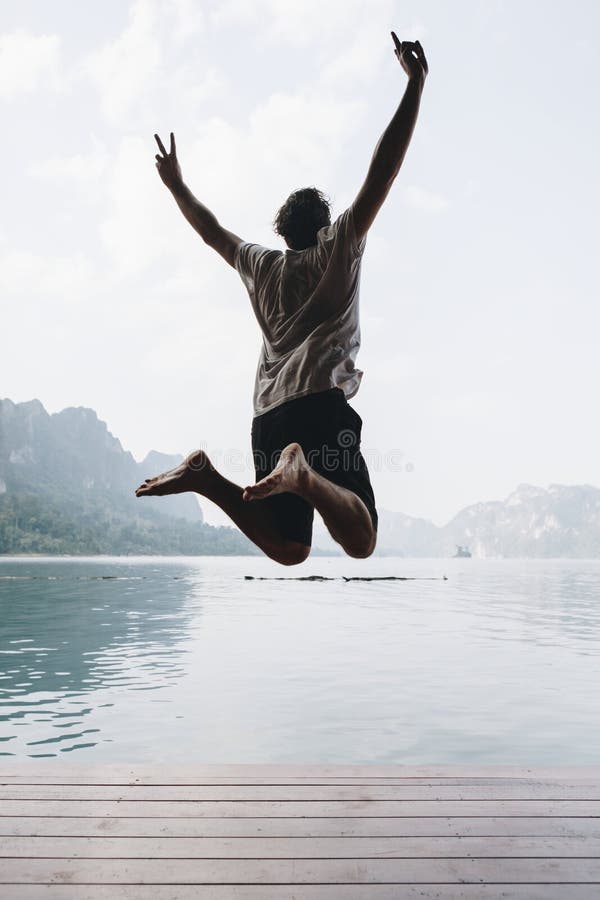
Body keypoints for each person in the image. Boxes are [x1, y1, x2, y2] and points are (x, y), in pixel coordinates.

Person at [136, 32, 428, 566]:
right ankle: (304, 476)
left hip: (268, 413)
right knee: (361, 541)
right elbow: (382, 170)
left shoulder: (262, 264)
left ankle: (206, 477)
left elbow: (212, 231)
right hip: (318, 401)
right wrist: (415, 85)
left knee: (291, 549)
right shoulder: (338, 244)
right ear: (323, 224)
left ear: (283, 231)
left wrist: (176, 185)